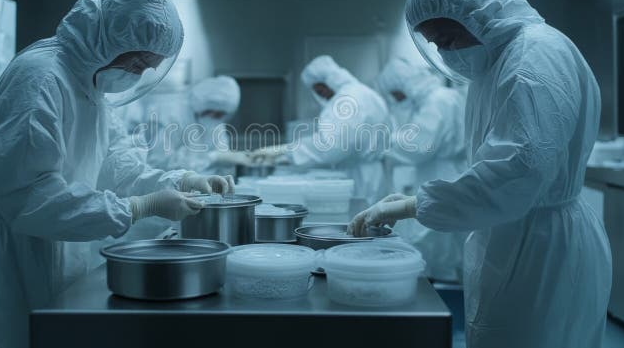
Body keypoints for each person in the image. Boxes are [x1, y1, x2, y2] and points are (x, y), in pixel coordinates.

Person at [349, 0, 612, 348]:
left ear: (478, 12)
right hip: (515, 233)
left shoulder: (532, 60)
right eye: (437, 44)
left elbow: (516, 171)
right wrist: (417, 200)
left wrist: (413, 205)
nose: (445, 53)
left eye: (448, 38)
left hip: (542, 249)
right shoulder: (498, 62)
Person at [0, 0, 234, 348]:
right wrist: (142, 207)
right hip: (19, 251)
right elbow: (28, 199)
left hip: (63, 240)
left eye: (146, 68)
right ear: (109, 39)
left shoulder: (88, 83)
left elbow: (116, 164)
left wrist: (180, 179)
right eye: (137, 63)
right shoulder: (41, 78)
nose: (137, 75)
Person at [376, 55, 467, 282]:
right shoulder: (443, 97)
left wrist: (386, 142)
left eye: (397, 94)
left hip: (441, 174)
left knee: (435, 237)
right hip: (446, 171)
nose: (397, 100)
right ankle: (443, 283)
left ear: (408, 84)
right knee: (444, 239)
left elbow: (420, 146)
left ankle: (439, 290)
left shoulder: (437, 101)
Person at [252, 55, 388, 201]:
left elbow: (331, 146)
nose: (322, 96)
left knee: (359, 218)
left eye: (320, 90)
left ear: (330, 81)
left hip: (358, 178)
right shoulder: (368, 94)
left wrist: (285, 151)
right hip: (374, 174)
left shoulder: (345, 99)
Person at [179, 75, 251, 174]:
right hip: (180, 186)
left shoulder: (216, 125)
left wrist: (231, 160)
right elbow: (167, 165)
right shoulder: (177, 120)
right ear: (202, 105)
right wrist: (214, 157)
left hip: (210, 185)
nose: (217, 118)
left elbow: (223, 152)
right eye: (215, 113)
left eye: (222, 114)